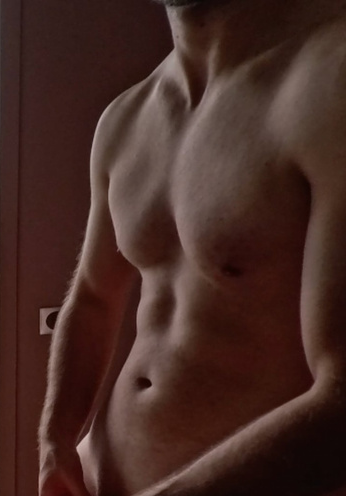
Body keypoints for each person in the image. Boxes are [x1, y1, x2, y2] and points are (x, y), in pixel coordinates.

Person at [38, 0, 346, 494]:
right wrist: (55, 442)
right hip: (100, 478)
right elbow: (92, 299)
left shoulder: (330, 74)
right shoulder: (124, 118)